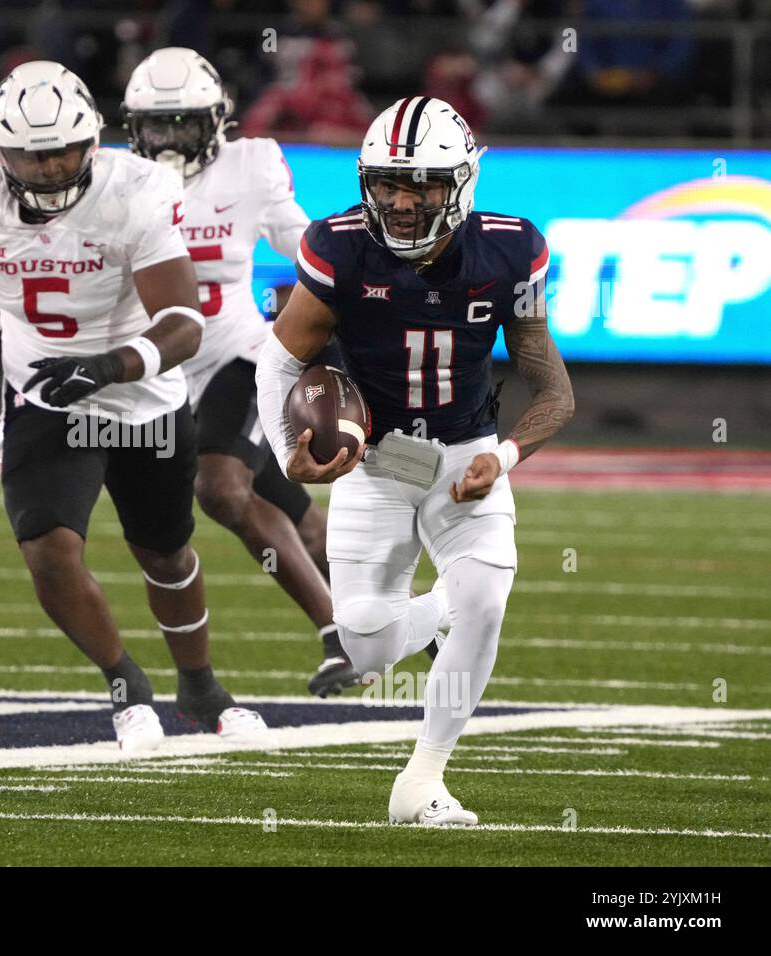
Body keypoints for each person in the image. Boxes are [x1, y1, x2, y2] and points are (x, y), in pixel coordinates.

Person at [256, 95, 574, 825]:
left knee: (486, 600)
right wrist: (289, 454)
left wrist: (506, 454)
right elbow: (277, 365)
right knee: (365, 648)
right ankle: (435, 617)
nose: (401, 202)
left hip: (465, 455)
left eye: (423, 185)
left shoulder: (508, 251)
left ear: (459, 184)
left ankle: (423, 779)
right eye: (389, 183)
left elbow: (554, 390)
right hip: (379, 457)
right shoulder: (338, 248)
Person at [0, 61, 273, 752]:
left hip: (141, 393)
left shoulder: (135, 190)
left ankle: (201, 685)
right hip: (43, 393)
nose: (46, 168)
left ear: (92, 143)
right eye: (30, 154)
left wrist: (106, 366)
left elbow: (184, 323)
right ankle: (127, 687)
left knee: (164, 552)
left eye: (62, 150)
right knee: (47, 546)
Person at [122, 46, 359, 698]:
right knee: (299, 518)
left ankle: (338, 634)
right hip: (162, 376)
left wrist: (350, 274)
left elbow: (298, 239)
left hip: (241, 355)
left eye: (182, 124)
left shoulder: (249, 166)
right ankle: (407, 621)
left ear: (217, 120)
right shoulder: (115, 181)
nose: (169, 140)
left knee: (220, 488)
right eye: (156, 125)